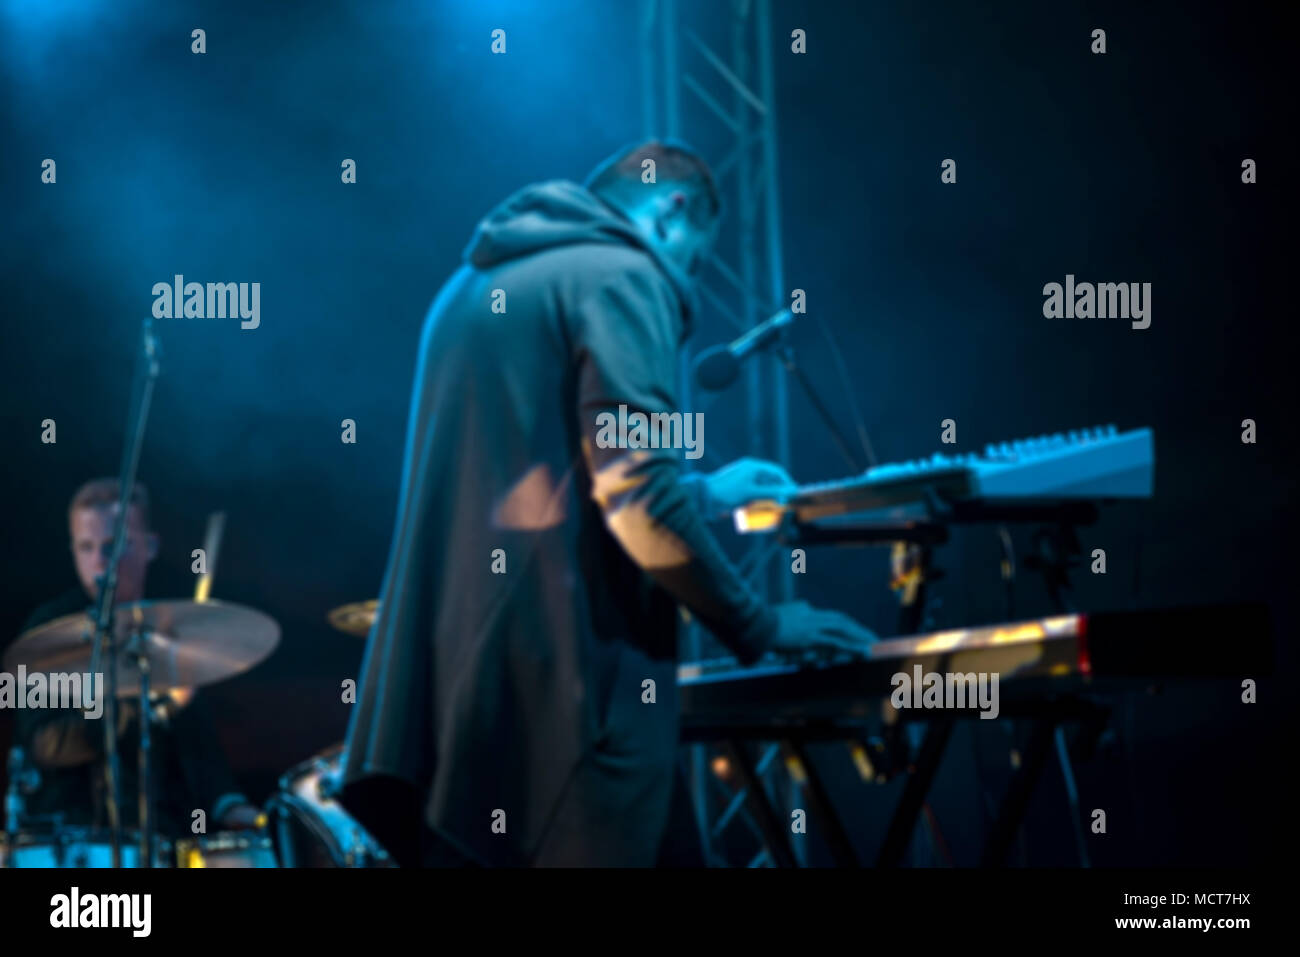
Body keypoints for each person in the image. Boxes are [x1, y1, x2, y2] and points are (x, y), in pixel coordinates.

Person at [339, 140, 876, 867]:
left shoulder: (470, 285)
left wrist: (705, 493)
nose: (683, 282)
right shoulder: (623, 274)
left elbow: (540, 484)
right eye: (693, 262)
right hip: (565, 705)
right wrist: (762, 623)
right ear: (673, 209)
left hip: (458, 711)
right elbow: (638, 495)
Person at [7, 478, 260, 839]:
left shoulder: (169, 633)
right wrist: (150, 707)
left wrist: (234, 808)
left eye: (113, 546)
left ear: (150, 546)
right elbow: (49, 744)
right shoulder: (50, 634)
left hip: (167, 840)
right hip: (78, 843)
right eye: (86, 547)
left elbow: (202, 761)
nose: (99, 561)